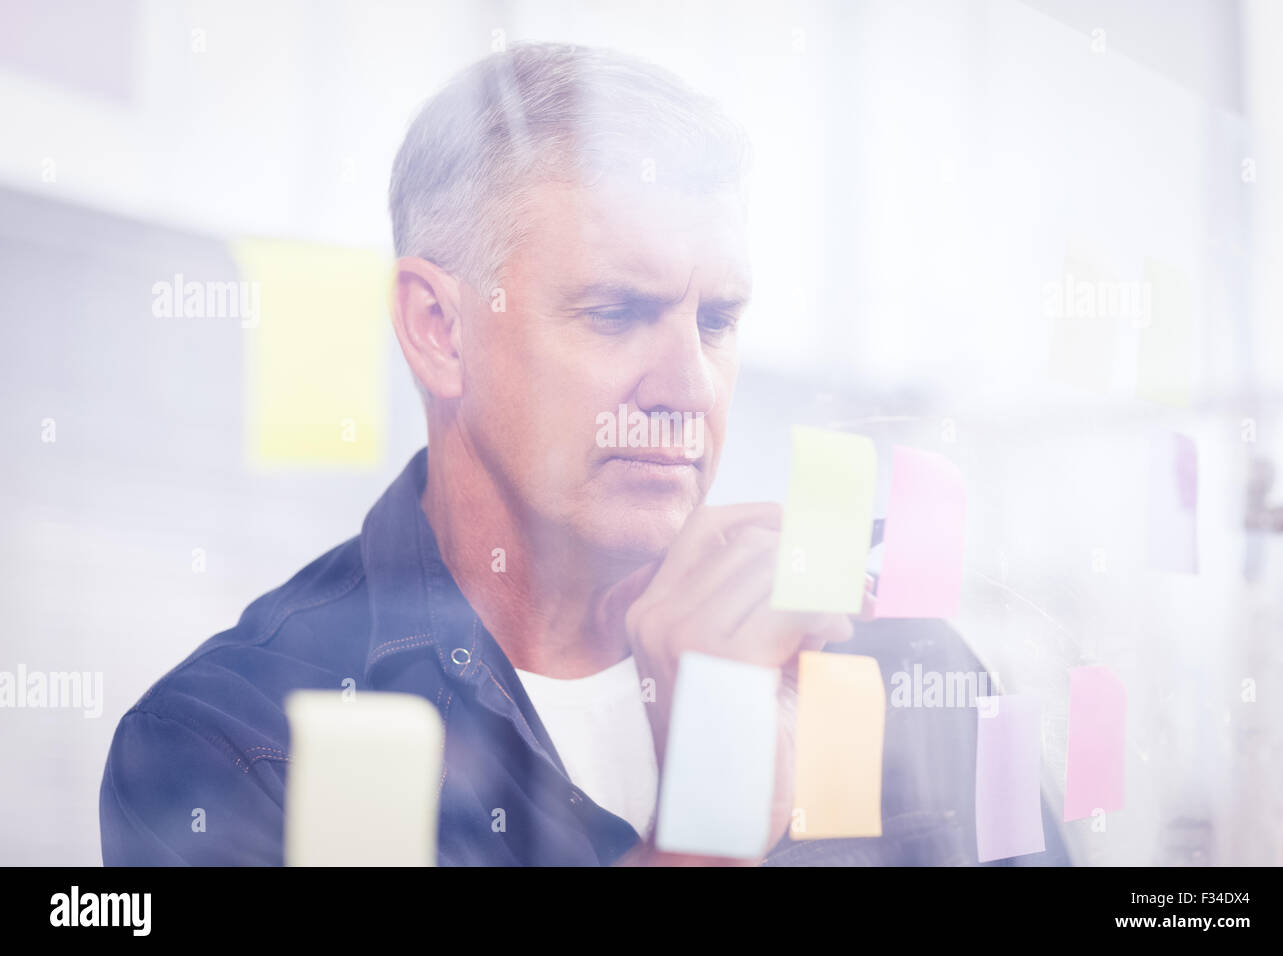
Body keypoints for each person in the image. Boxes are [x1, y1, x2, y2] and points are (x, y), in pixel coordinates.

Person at [100, 40, 1069, 866]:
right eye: (615, 312)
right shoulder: (234, 742)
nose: (688, 387)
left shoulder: (907, 665)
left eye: (718, 319)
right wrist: (707, 824)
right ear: (438, 327)